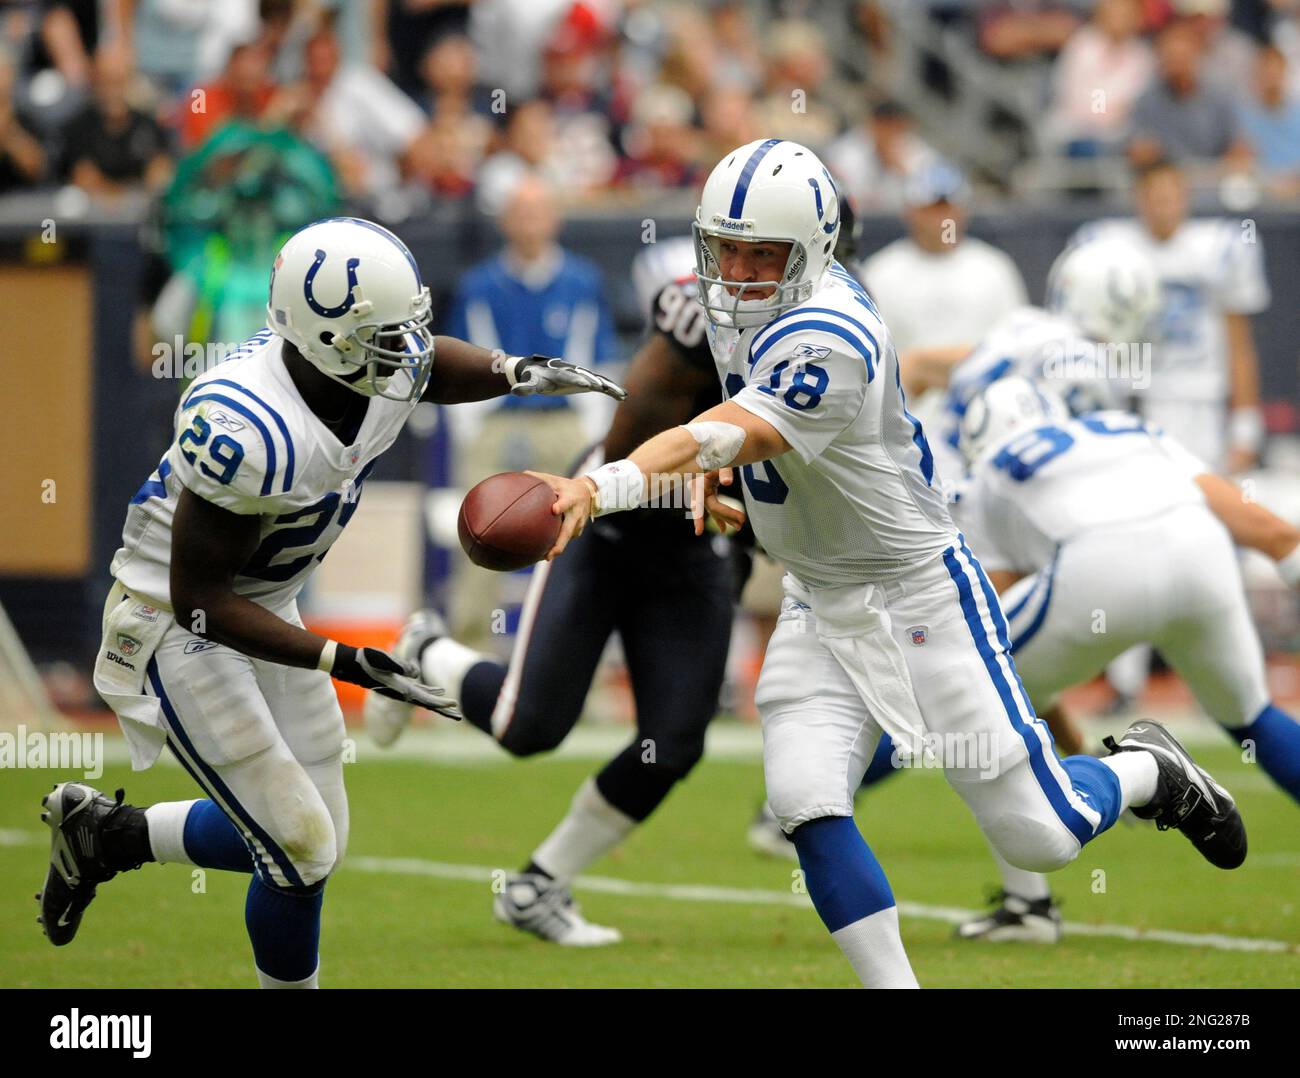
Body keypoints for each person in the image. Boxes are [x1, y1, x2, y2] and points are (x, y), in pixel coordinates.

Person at [523, 139, 1248, 988]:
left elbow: (731, 428)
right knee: (804, 800)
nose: (742, 274)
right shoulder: (749, 310)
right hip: (820, 595)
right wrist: (728, 478)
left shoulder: (833, 330)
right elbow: (748, 439)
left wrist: (601, 486)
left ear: (814, 251)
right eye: (728, 250)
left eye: (766, 256)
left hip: (919, 593)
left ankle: (1148, 771)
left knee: (1039, 835)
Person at [34, 216, 624, 988]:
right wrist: (344, 660)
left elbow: (432, 365)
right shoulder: (247, 424)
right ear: (326, 341)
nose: (407, 351)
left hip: (265, 604)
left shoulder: (362, 363)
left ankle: (108, 836)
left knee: (315, 835)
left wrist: (516, 370)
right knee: (300, 850)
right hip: (176, 627)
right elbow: (201, 600)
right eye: (387, 338)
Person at [949, 376, 1300, 941]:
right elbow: (1256, 522)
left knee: (971, 688)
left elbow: (993, 644)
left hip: (1100, 567)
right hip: (1200, 551)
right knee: (1253, 716)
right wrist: (1286, 549)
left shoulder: (989, 472)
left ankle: (1029, 903)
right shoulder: (1126, 428)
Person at [444, 173, 619, 648]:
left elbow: (598, 359)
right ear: (504, 221)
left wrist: (594, 435)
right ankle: (468, 653)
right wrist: (471, 431)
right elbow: (464, 360)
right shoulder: (480, 284)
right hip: (497, 421)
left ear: (554, 219)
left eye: (538, 212)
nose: (529, 223)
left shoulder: (581, 281)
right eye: (520, 213)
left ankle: (575, 654)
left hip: (562, 421)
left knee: (580, 537)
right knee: (477, 532)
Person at [1076, 157, 1269, 473]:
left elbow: (1239, 344)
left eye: (1170, 197)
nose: (1163, 208)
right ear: (1138, 198)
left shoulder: (1222, 247)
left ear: (1185, 197)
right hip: (1132, 398)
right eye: (1155, 197)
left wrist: (1245, 427)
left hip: (1200, 404)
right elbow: (1089, 340)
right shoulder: (1106, 245)